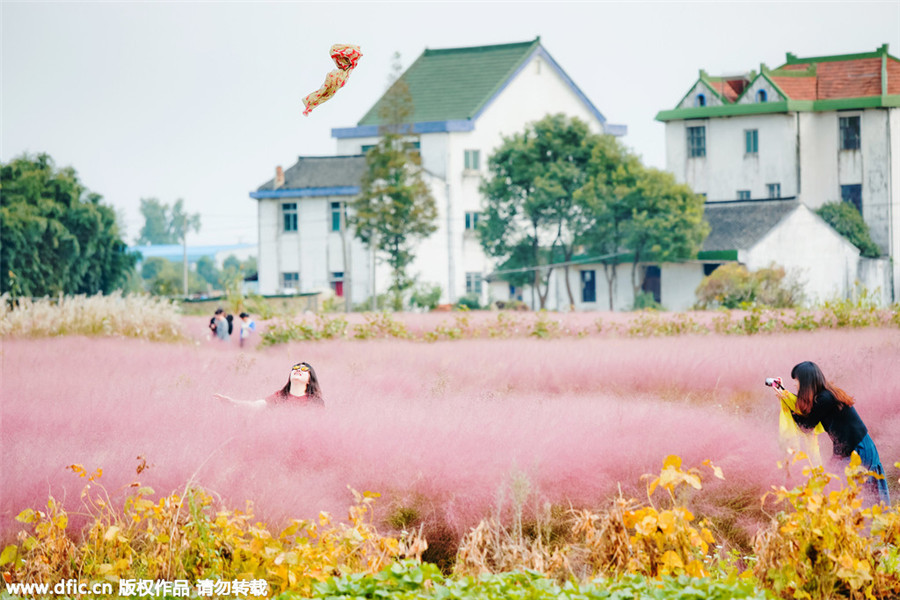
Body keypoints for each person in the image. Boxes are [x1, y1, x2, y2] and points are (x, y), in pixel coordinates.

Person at [787, 361, 889, 505]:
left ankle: (870, 524)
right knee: (836, 485)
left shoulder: (824, 399)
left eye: (796, 381)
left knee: (851, 490)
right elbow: (808, 413)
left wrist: (787, 403)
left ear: (805, 381)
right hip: (853, 447)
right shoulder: (826, 395)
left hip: (858, 449)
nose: (795, 385)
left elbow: (806, 425)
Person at [214, 362, 324, 408]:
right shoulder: (279, 396)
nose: (298, 370)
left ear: (310, 379)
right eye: (295, 368)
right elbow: (255, 406)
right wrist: (232, 402)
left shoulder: (315, 402)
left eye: (304, 369)